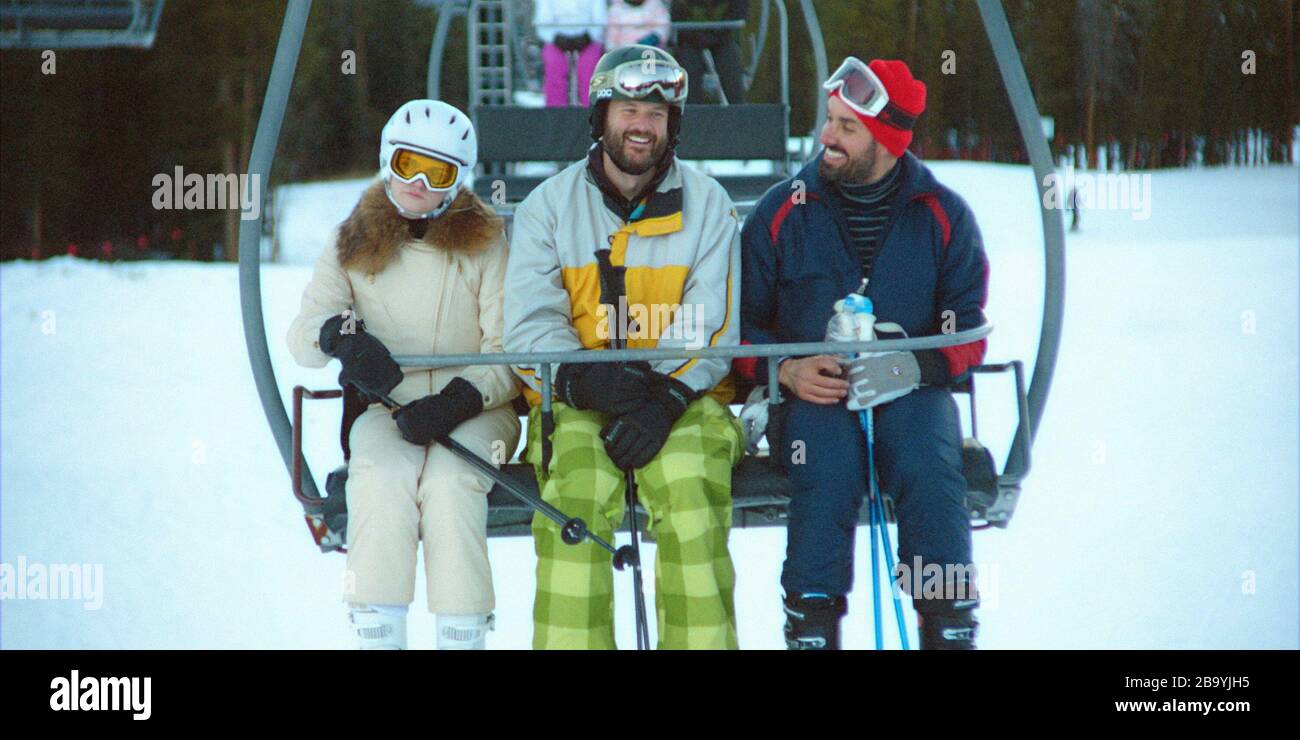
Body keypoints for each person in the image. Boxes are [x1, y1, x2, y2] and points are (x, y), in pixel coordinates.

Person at [739, 58, 990, 650]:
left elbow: (970, 330)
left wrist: (916, 365)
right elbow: (737, 329)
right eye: (828, 121)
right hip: (810, 393)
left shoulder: (942, 215)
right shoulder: (783, 211)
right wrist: (787, 368)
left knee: (928, 461)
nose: (827, 137)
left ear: (887, 139)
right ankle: (812, 622)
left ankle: (948, 619)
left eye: (847, 128)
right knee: (824, 465)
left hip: (910, 392)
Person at [504, 45, 745, 649]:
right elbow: (529, 322)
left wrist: (662, 398)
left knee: (691, 496)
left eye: (658, 114)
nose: (642, 125)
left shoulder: (708, 207)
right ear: (601, 114)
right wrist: (577, 380)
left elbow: (711, 322)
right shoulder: (548, 209)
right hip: (578, 401)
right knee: (573, 509)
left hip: (683, 400)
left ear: (674, 125)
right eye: (629, 108)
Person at [286, 100, 520, 650]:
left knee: (450, 482)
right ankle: (379, 631)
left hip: (480, 407)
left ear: (457, 181)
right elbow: (304, 334)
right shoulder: (352, 240)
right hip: (385, 405)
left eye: (435, 172)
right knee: (381, 477)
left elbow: (509, 350)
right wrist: (338, 336)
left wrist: (461, 400)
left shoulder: (486, 243)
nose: (416, 182)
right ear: (387, 159)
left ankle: (461, 635)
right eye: (407, 162)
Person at [534, 0, 608, 107]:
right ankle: (555, 113)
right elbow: (542, 20)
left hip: (589, 38)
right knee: (554, 65)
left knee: (590, 69)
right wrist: (556, 38)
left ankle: (592, 112)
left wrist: (588, 37)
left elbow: (600, 18)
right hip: (555, 39)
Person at [671, 0, 746, 104]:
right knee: (687, 66)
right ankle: (692, 114)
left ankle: (737, 112)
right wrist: (697, 38)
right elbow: (678, 20)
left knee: (730, 62)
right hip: (691, 41)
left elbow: (738, 16)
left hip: (723, 40)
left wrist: (715, 37)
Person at [605, 0, 670, 49]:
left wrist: (653, 38)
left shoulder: (655, 5)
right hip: (624, 53)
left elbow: (662, 28)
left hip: (651, 52)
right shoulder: (616, 8)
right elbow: (611, 40)